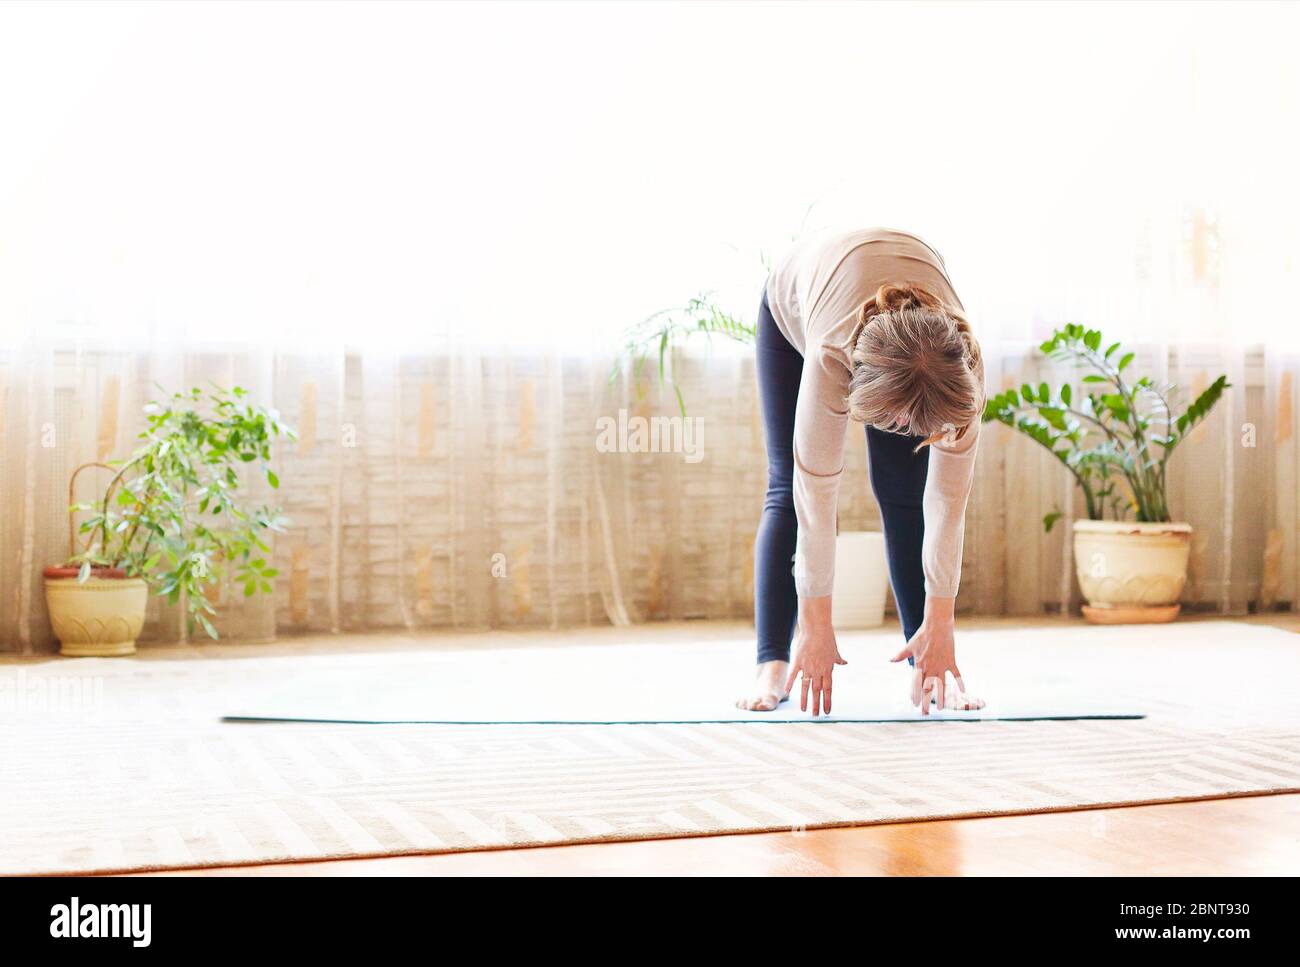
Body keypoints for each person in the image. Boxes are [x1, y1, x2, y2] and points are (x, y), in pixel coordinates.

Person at [737, 228, 986, 717]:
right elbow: (816, 498)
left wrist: (942, 622)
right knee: (789, 489)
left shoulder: (962, 374)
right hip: (796, 308)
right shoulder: (830, 358)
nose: (903, 432)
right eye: (896, 421)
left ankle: (925, 663)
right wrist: (816, 624)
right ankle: (771, 661)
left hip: (913, 347)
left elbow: (947, 504)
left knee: (905, 494)